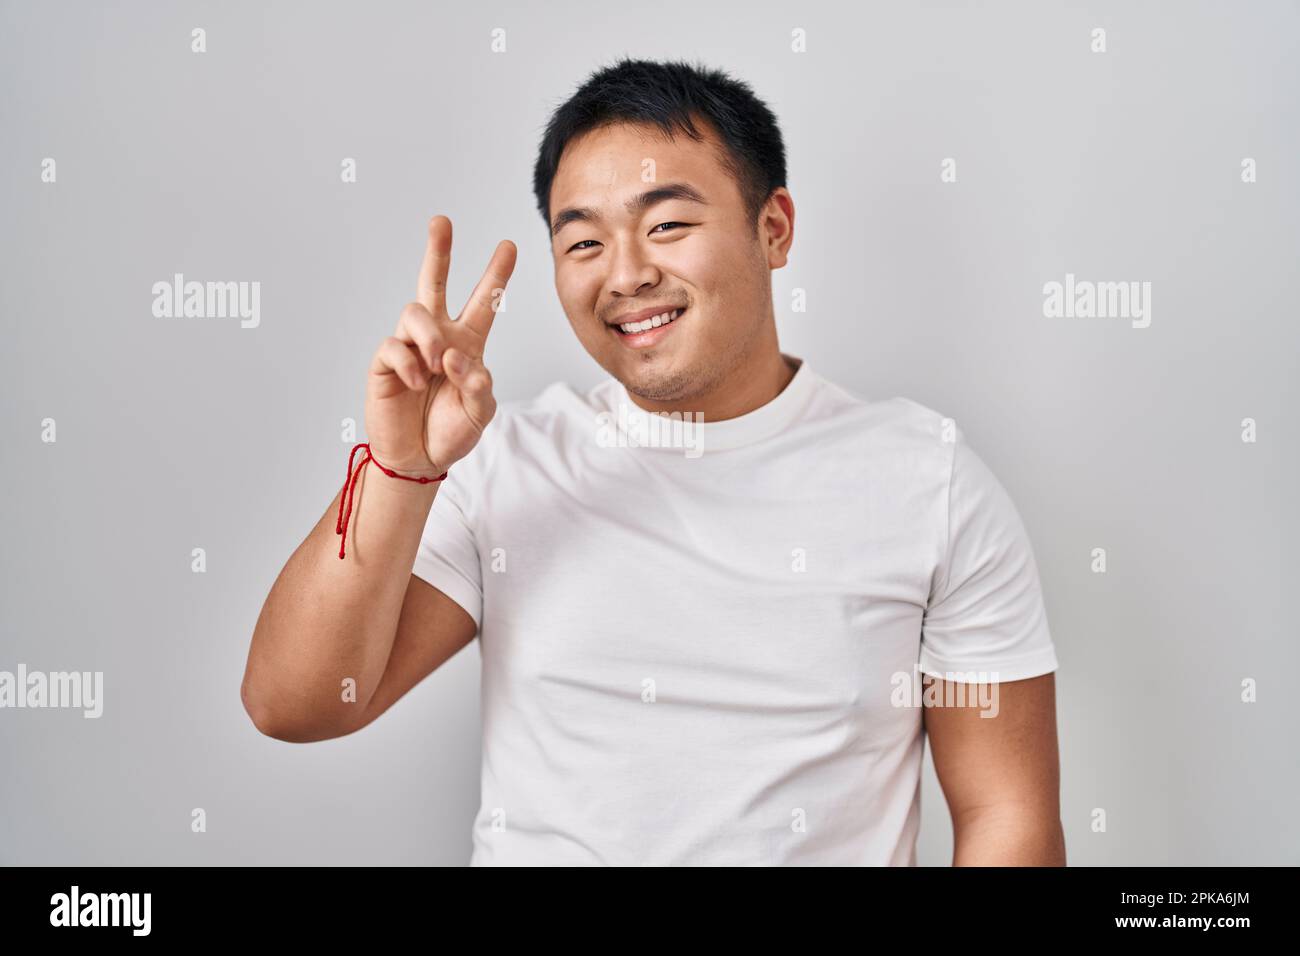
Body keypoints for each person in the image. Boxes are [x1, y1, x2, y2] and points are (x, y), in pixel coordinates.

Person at [242, 57, 1065, 866]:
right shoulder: (506, 466)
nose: (627, 275)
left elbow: (1007, 813)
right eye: (585, 242)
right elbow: (295, 705)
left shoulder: (929, 481)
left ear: (772, 228)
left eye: (667, 225)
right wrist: (399, 467)